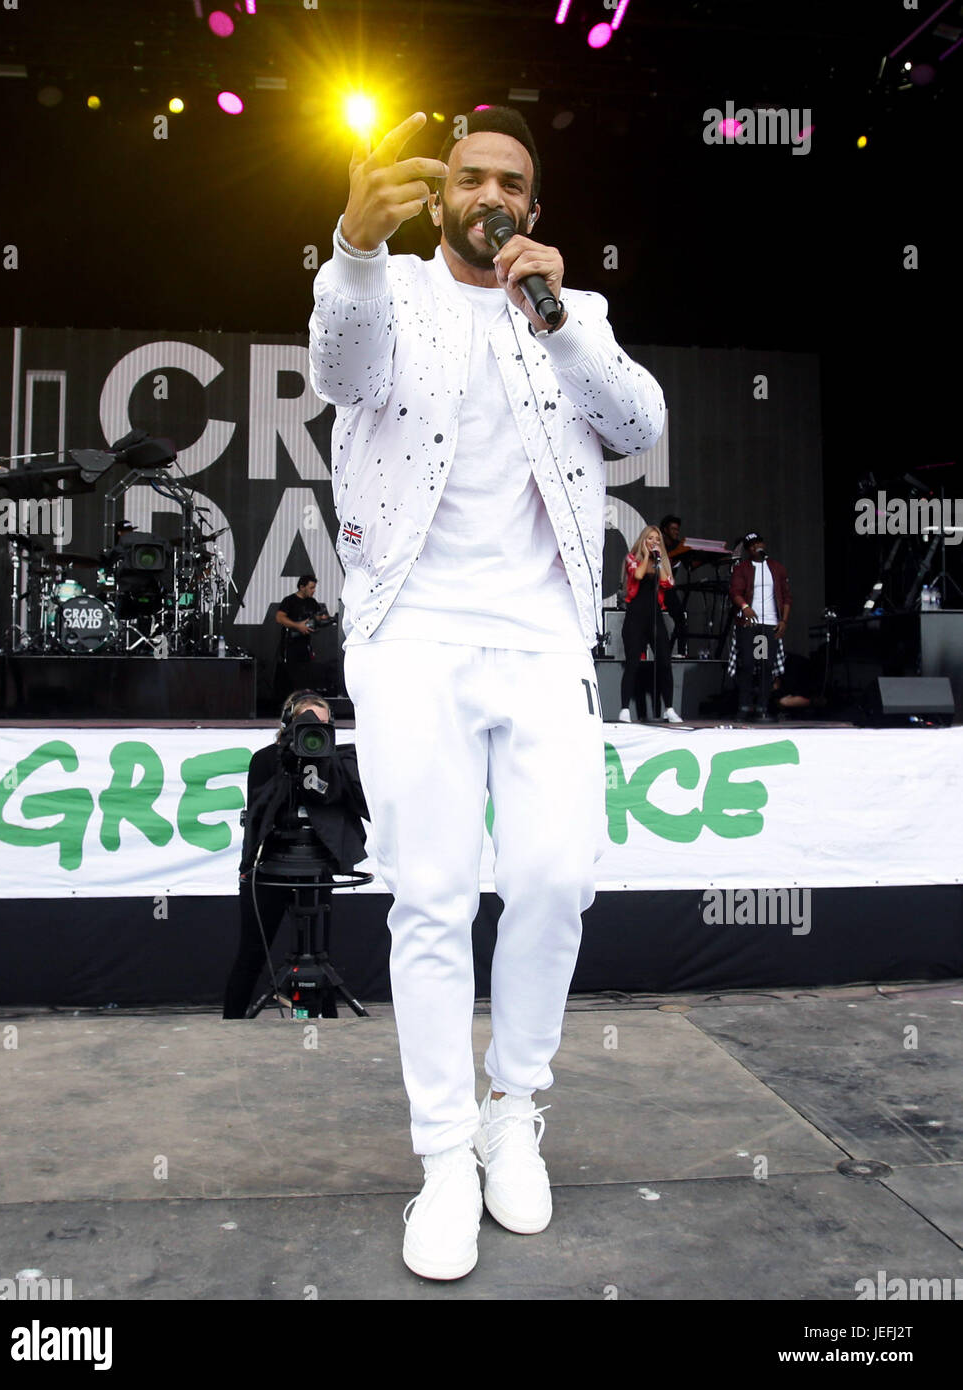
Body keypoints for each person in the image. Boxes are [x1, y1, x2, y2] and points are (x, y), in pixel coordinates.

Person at [309, 105, 665, 1280]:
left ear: (533, 206)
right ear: (441, 190)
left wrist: (560, 324)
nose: (487, 194)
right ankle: (445, 1154)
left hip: (540, 637)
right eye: (469, 177)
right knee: (432, 896)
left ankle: (516, 1105)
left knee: (558, 876)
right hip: (413, 631)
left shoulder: (573, 315)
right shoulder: (393, 290)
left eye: (510, 180)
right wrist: (353, 247)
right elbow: (342, 370)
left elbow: (639, 428)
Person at [222, 692, 367, 1018]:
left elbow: (346, 800)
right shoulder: (265, 760)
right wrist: (292, 765)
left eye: (323, 725)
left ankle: (321, 1026)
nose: (314, 733)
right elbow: (264, 813)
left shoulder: (339, 764)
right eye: (307, 725)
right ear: (289, 726)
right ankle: (230, 1026)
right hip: (270, 869)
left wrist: (320, 769)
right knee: (251, 955)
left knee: (319, 957)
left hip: (315, 869)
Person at [618, 525, 681, 723]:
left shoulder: (661, 562)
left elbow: (667, 583)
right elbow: (637, 575)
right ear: (643, 539)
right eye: (650, 538)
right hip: (635, 617)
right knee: (632, 663)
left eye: (657, 539)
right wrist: (645, 555)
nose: (654, 541)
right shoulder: (632, 558)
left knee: (664, 661)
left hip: (655, 617)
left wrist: (659, 559)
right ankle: (624, 709)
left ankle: (669, 708)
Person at [728, 532, 792, 718]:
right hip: (750, 624)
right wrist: (745, 607)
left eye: (758, 543)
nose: (756, 547)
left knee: (764, 664)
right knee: (747, 664)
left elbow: (787, 597)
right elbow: (735, 591)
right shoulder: (743, 568)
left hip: (768, 624)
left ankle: (762, 707)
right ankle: (745, 706)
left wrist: (784, 621)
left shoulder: (776, 568)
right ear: (748, 550)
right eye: (752, 545)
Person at [275, 575, 331, 695]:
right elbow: (279, 618)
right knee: (290, 676)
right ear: (302, 587)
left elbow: (317, 618)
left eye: (314, 588)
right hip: (290, 645)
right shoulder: (289, 600)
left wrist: (322, 619)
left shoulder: (312, 602)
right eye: (311, 588)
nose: (313, 591)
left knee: (305, 675)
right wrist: (298, 626)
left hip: (305, 645)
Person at [658, 514, 689, 658]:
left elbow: (691, 564)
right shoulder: (657, 544)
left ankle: (681, 652)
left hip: (667, 588)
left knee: (680, 617)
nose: (676, 532)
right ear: (665, 530)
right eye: (673, 529)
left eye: (678, 529)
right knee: (652, 621)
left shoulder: (679, 545)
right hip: (653, 588)